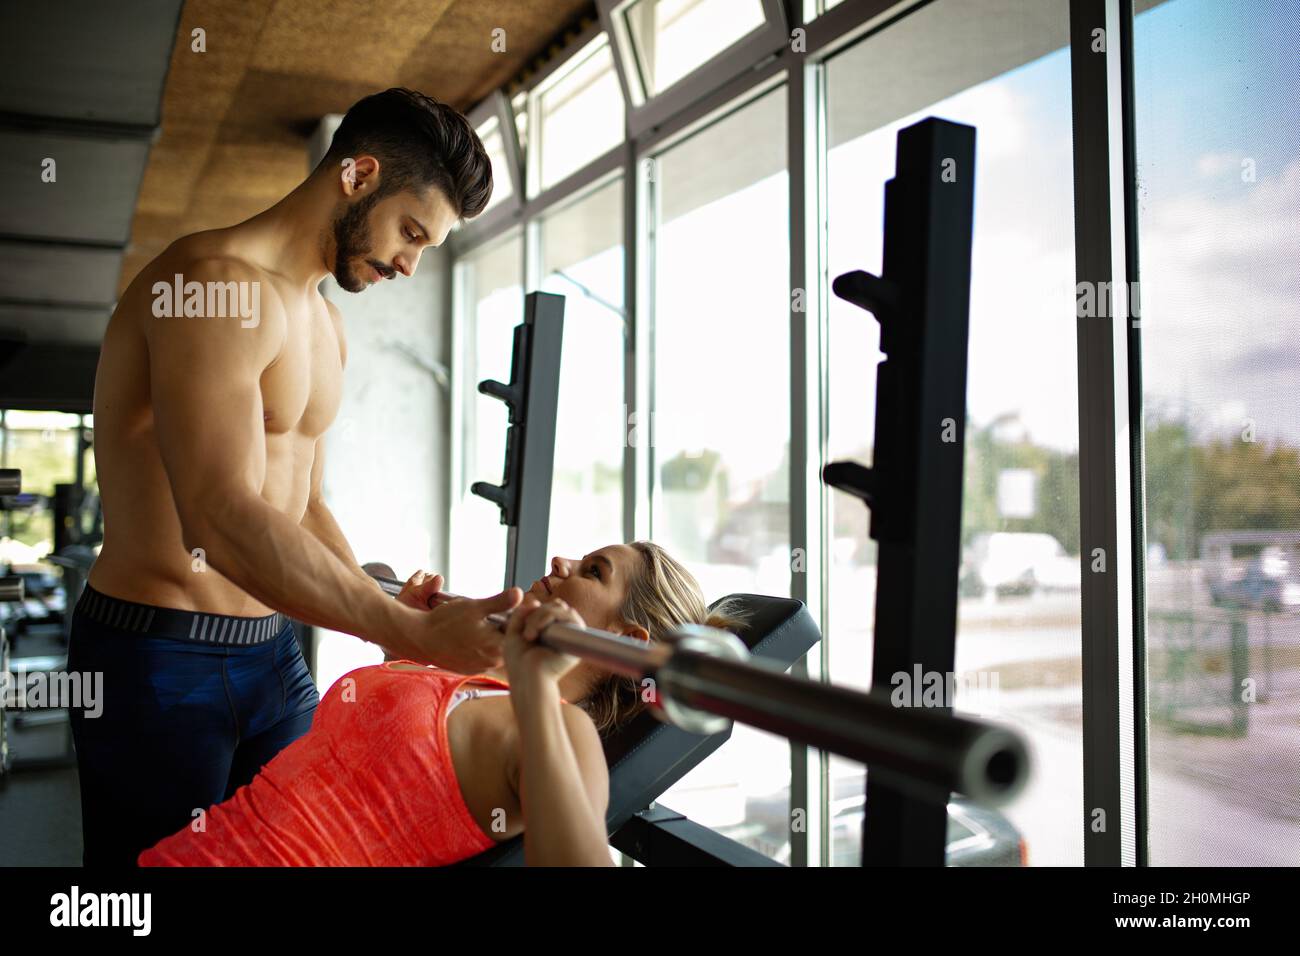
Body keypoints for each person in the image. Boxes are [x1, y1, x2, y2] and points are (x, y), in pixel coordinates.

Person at [69, 88, 506, 867]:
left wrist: (382, 601)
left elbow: (300, 502)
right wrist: (401, 632)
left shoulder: (324, 324)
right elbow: (219, 514)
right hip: (160, 657)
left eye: (426, 248)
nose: (409, 263)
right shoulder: (210, 286)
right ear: (358, 175)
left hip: (275, 656)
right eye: (410, 231)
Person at [138, 542, 747, 867]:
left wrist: (536, 684)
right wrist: (400, 638)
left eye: (593, 570)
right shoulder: (480, 678)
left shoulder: (563, 730)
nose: (559, 561)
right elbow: (380, 775)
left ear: (625, 642)